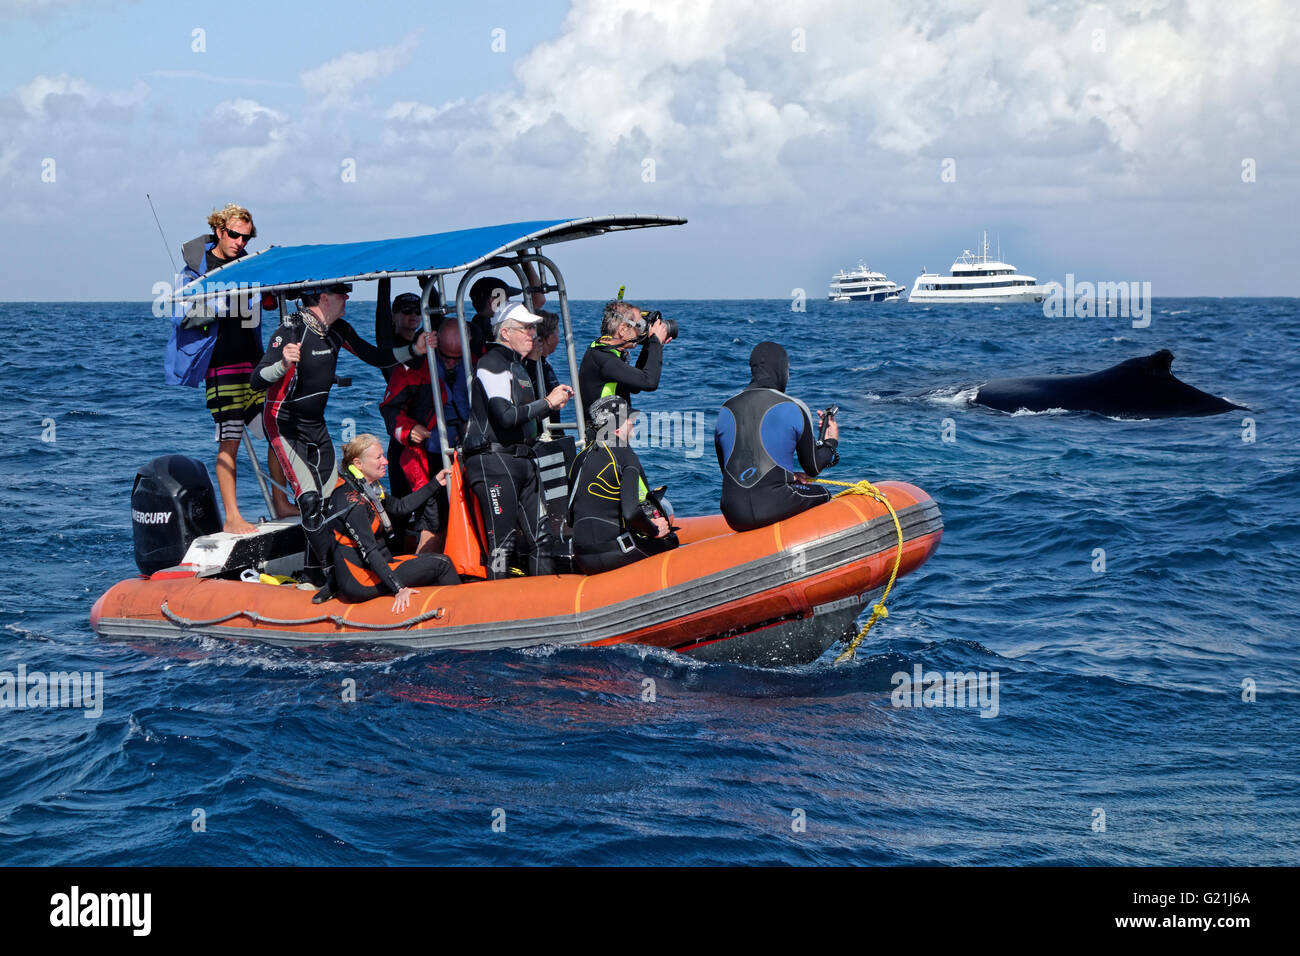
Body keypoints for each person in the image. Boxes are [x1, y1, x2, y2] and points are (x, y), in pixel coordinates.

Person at [250, 282, 429, 582]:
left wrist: (413, 350)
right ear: (323, 298)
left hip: (315, 424)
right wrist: (282, 364)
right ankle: (328, 577)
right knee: (307, 500)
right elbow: (257, 379)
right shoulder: (291, 331)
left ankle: (311, 572)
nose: (347, 297)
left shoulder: (339, 330)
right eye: (341, 293)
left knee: (329, 499)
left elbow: (374, 356)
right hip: (284, 425)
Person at [168, 203, 291, 532]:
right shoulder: (196, 269)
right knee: (230, 438)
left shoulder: (251, 264)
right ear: (220, 230)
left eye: (246, 237)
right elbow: (180, 315)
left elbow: (266, 300)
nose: (240, 242)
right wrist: (222, 302)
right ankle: (232, 517)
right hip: (220, 366)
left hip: (254, 363)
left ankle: (281, 503)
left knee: (275, 429)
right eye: (234, 235)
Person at [461, 302, 574, 578]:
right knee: (503, 545)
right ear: (505, 333)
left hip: (522, 460)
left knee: (543, 540)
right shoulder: (492, 363)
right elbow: (505, 416)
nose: (533, 334)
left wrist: (548, 404)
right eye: (526, 328)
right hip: (494, 463)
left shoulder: (519, 367)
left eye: (534, 328)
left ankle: (543, 603)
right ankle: (497, 608)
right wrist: (547, 402)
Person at [714, 341, 840, 532]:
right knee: (823, 493)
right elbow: (813, 467)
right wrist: (831, 442)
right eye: (787, 369)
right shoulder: (794, 406)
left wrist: (786, 477)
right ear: (780, 369)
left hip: (732, 513)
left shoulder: (725, 408)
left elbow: (730, 471)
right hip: (773, 504)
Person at [327, 433, 460, 612]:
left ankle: (439, 608)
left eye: (383, 455)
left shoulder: (367, 488)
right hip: (360, 580)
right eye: (378, 457)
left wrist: (435, 483)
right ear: (358, 463)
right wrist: (399, 588)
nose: (386, 461)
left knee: (434, 561)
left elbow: (400, 507)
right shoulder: (352, 501)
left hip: (379, 566)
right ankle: (458, 612)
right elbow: (370, 552)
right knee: (442, 564)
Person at [379, 316, 471, 550]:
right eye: (446, 358)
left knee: (454, 510)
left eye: (457, 359)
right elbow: (390, 410)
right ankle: (406, 562)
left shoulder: (475, 364)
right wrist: (409, 429)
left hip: (457, 453)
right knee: (425, 516)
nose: (451, 363)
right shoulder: (412, 369)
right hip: (416, 455)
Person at [568, 395, 678, 574]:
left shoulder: (579, 458)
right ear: (616, 429)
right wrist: (655, 530)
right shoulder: (625, 453)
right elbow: (631, 511)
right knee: (670, 541)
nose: (633, 423)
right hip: (615, 553)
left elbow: (571, 516)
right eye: (629, 419)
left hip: (582, 556)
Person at [577, 299, 670, 436]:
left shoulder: (603, 350)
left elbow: (635, 385)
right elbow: (649, 382)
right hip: (603, 439)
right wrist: (655, 341)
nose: (641, 331)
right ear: (622, 330)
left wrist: (652, 344)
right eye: (639, 326)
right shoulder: (605, 359)